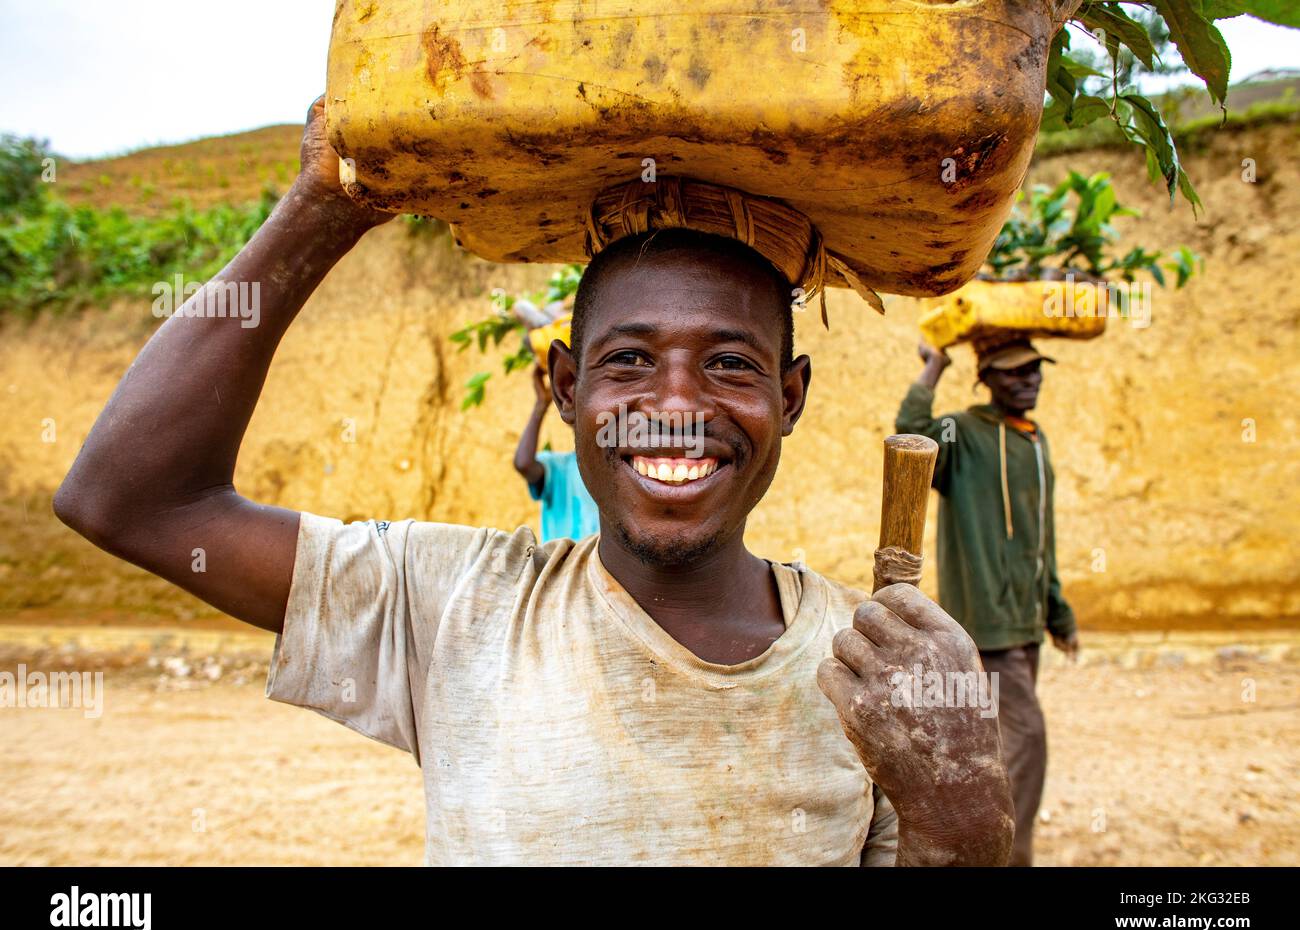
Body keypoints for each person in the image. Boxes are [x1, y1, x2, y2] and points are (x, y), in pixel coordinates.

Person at [53, 96, 1014, 866]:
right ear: (563, 386)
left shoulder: (872, 673)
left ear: (792, 396)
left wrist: (964, 822)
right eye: (628, 362)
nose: (675, 403)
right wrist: (326, 204)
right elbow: (132, 501)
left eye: (730, 364)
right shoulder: (449, 607)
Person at [896, 337, 1080, 866]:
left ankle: (979, 849)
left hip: (1026, 622)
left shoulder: (1035, 442)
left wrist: (1058, 613)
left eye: (1034, 370)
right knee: (1027, 738)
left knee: (997, 744)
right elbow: (912, 439)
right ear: (988, 380)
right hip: (984, 621)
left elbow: (1043, 537)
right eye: (1014, 373)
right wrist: (932, 370)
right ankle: (1008, 857)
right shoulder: (965, 435)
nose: (1029, 380)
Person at [515, 364, 600, 542]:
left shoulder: (617, 467)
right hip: (562, 567)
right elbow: (523, 463)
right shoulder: (557, 468)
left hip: (598, 568)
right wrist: (540, 405)